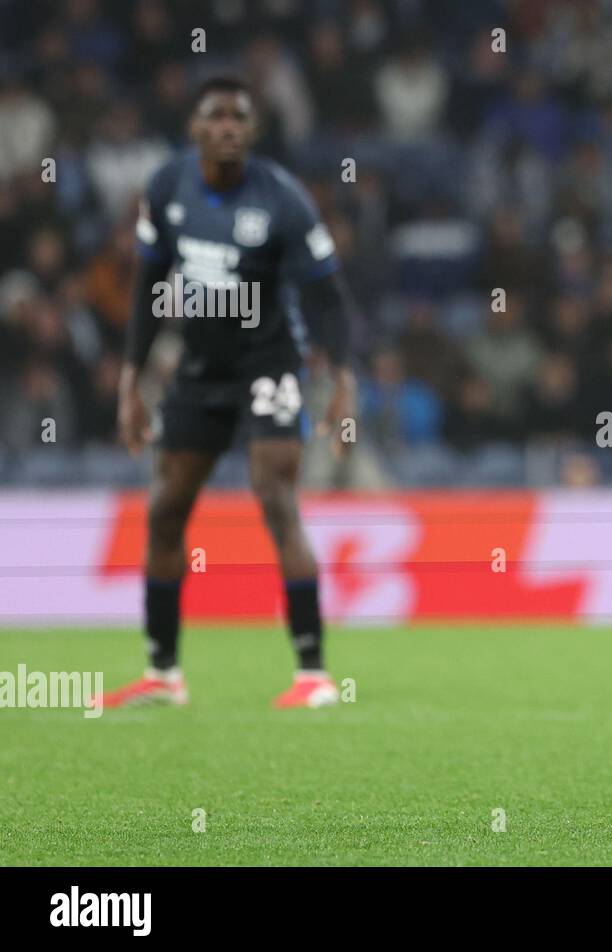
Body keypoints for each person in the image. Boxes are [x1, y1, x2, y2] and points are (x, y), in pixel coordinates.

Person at [98, 76, 359, 710]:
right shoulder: (166, 187)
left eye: (239, 117)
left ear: (252, 129)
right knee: (164, 509)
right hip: (199, 369)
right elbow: (147, 287)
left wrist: (343, 380)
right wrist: (131, 382)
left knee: (276, 497)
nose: (228, 127)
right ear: (194, 127)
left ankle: (313, 674)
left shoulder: (283, 199)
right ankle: (164, 674)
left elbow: (327, 295)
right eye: (216, 116)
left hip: (268, 363)